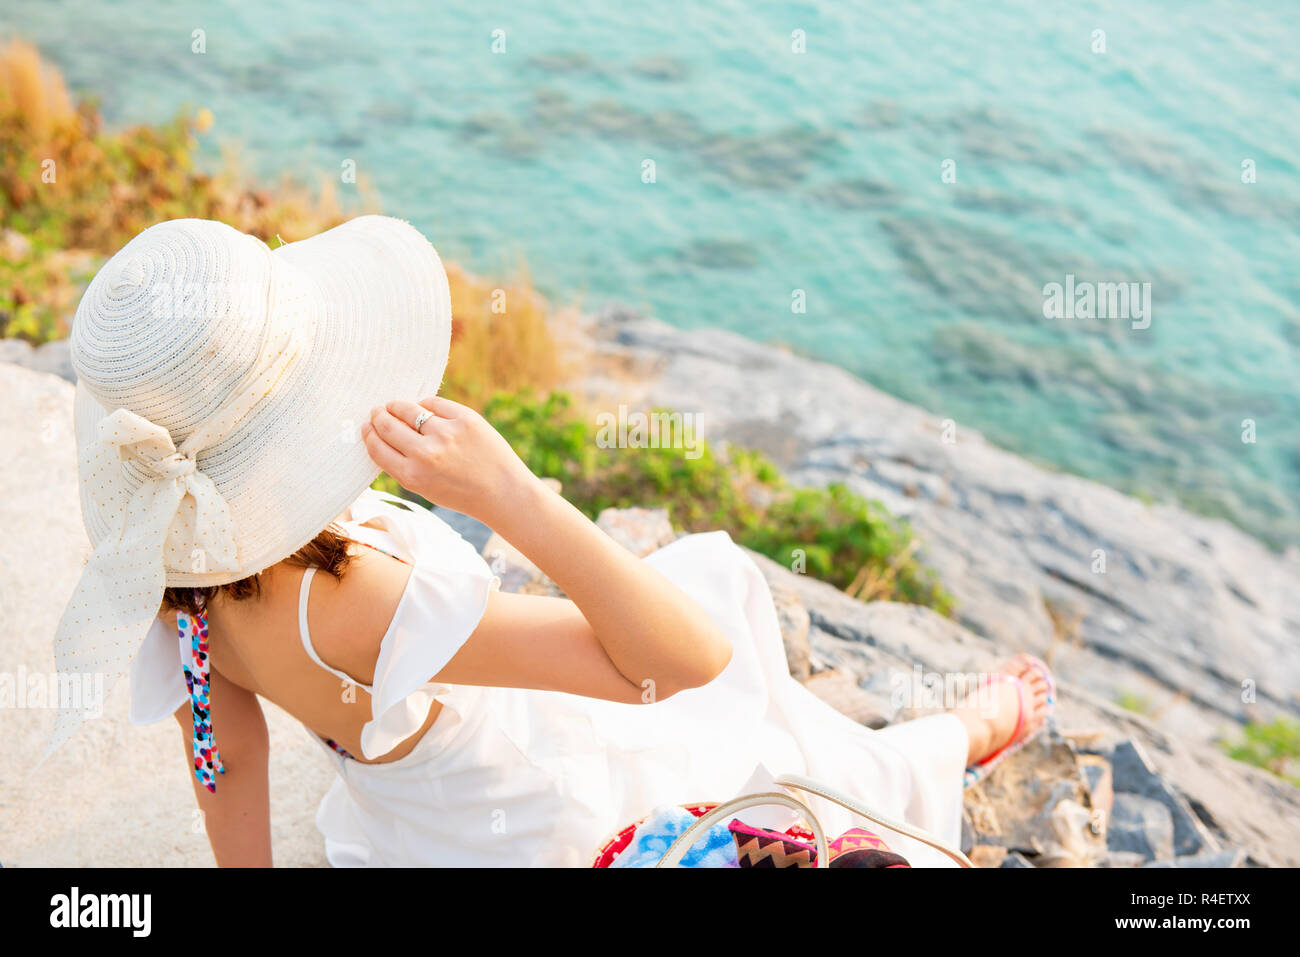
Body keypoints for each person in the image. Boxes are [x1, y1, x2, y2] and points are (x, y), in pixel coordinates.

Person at [51, 215, 1049, 867]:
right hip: (539, 815)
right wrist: (517, 498)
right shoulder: (355, 595)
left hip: (420, 830)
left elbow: (222, 753)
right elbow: (676, 666)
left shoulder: (171, 571)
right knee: (723, 632)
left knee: (700, 588)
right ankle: (949, 742)